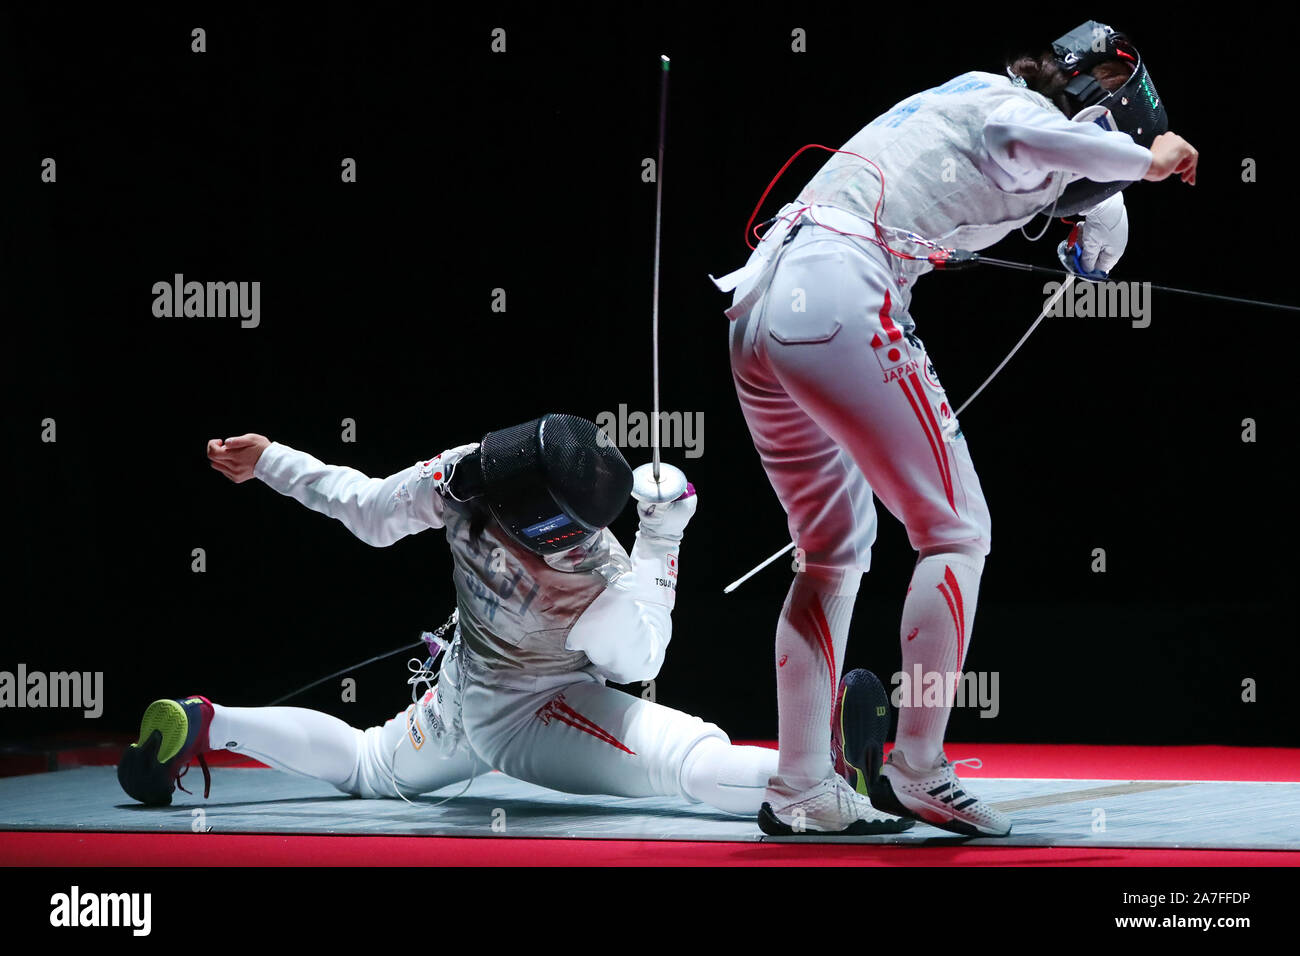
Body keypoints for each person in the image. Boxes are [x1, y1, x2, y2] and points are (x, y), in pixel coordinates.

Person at [717, 21, 1197, 836]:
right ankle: (918, 768)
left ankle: (802, 789)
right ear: (1088, 101)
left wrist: (1102, 223)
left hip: (758, 310)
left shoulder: (968, 91)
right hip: (836, 294)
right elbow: (1027, 136)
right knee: (955, 531)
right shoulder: (1011, 110)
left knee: (831, 552)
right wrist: (1149, 161)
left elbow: (1065, 184)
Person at [117, 413, 911, 833]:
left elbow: (361, 508)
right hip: (536, 714)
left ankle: (208, 723)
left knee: (366, 764)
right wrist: (662, 537)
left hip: (460, 697)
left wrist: (273, 461)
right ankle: (821, 778)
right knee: (683, 763)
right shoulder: (592, 579)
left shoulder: (464, 475)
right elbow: (642, 656)